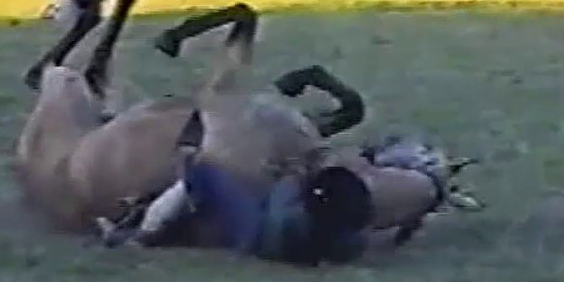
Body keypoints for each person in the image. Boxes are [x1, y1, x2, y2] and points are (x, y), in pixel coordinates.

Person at [105, 112, 375, 267]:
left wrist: (292, 172)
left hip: (259, 238)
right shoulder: (348, 231)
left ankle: (141, 235)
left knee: (202, 171)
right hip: (294, 242)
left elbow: (281, 198)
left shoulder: (292, 209)